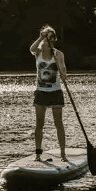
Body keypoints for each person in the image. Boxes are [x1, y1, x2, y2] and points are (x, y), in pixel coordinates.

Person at [29, 24, 68, 163]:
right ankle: (38, 154)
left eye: (50, 39)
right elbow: (31, 49)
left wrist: (61, 69)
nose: (47, 42)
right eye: (45, 39)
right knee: (39, 124)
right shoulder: (38, 53)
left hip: (55, 92)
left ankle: (63, 154)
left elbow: (64, 75)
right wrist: (41, 36)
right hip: (41, 92)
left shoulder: (59, 54)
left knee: (59, 123)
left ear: (53, 40)